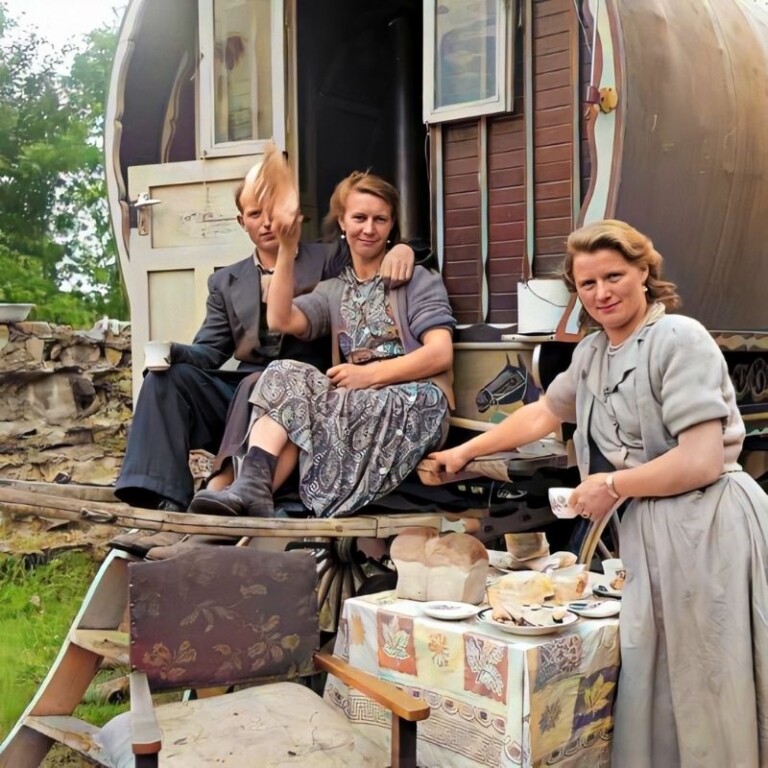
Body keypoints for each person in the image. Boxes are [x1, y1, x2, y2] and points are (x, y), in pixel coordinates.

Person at [430, 219, 768, 766]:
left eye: (614, 276)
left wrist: (611, 484)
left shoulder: (680, 339)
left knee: (709, 676)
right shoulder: (591, 353)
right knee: (655, 673)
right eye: (587, 284)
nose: (602, 293)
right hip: (651, 531)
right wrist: (467, 452)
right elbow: (543, 412)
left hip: (709, 528)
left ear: (644, 273)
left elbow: (702, 459)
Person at [110, 161, 415, 556]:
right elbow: (212, 350)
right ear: (242, 222)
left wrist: (407, 247)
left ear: (293, 215)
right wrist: (171, 353)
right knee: (164, 381)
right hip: (243, 388)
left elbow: (369, 240)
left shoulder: (327, 258)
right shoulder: (225, 281)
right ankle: (163, 508)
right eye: (255, 214)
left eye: (273, 211)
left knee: (265, 380)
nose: (267, 222)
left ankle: (222, 495)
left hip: (306, 390)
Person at [189, 167, 455, 520]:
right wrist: (286, 249)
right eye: (359, 218)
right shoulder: (335, 289)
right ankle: (251, 488)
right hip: (358, 397)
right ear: (342, 223)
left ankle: (245, 495)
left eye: (381, 219)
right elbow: (281, 320)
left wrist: (370, 375)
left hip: (416, 399)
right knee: (283, 371)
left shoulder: (415, 279)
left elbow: (440, 353)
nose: (369, 229)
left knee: (320, 404)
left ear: (392, 226)